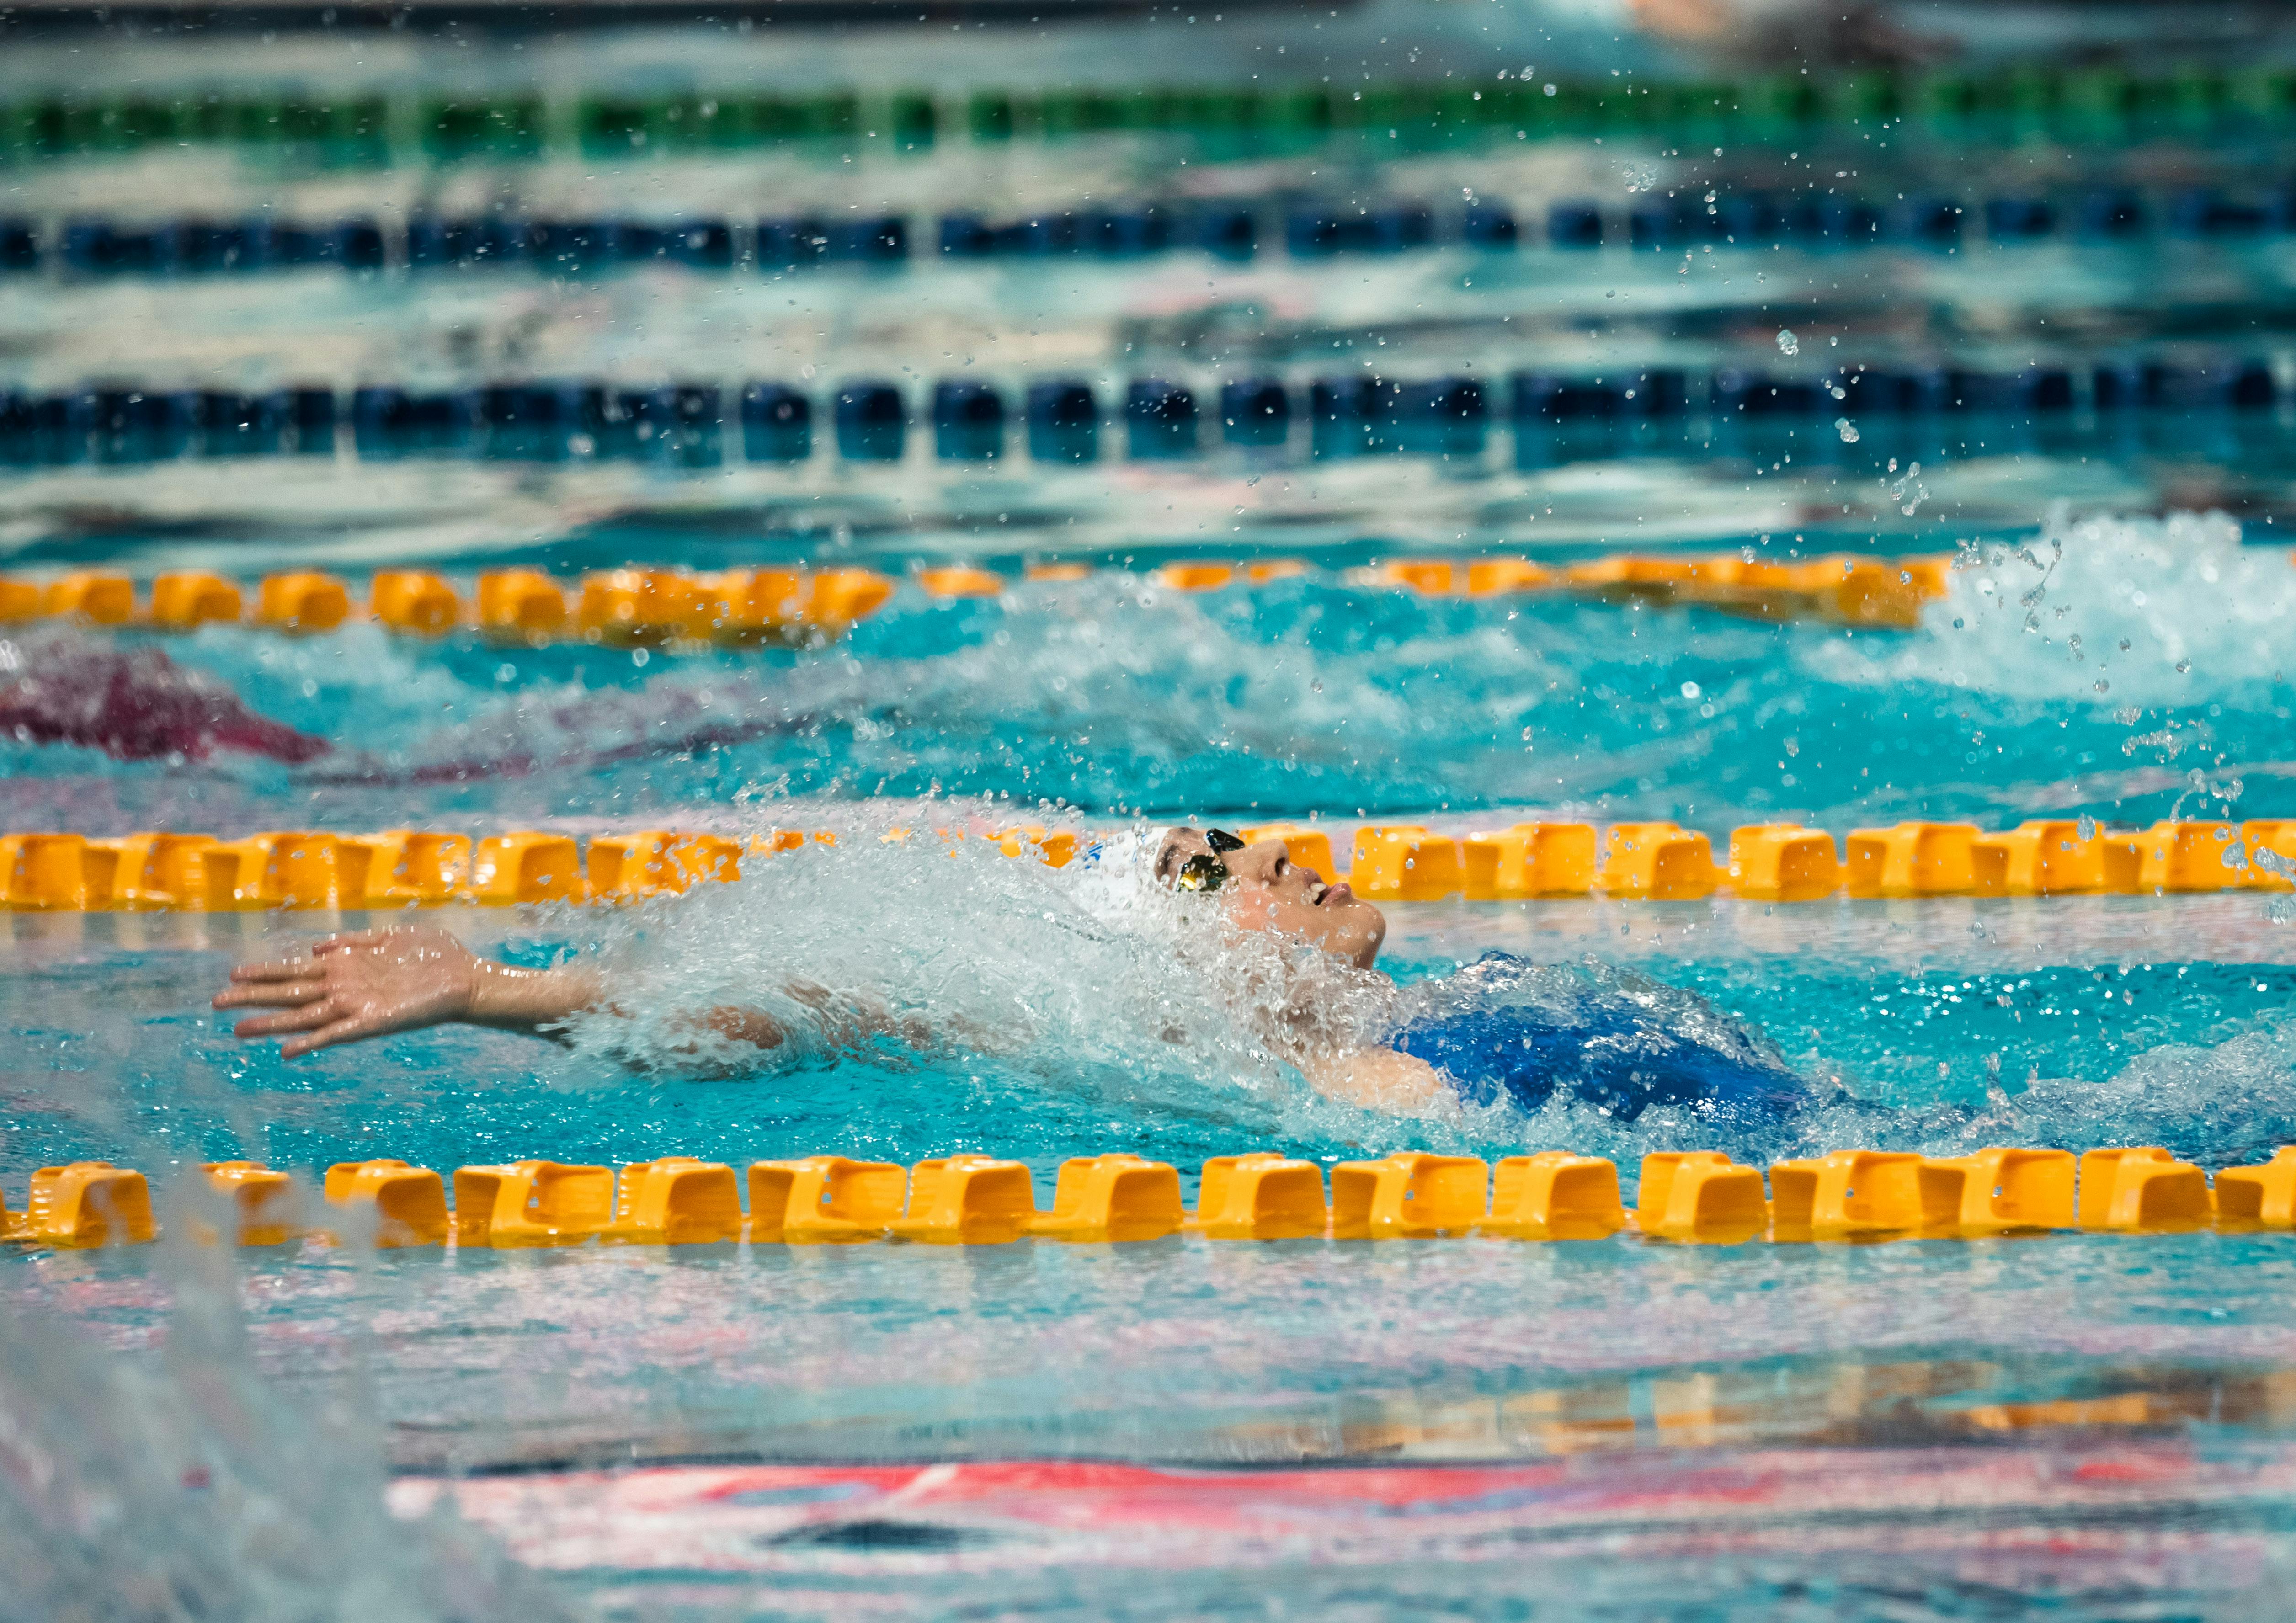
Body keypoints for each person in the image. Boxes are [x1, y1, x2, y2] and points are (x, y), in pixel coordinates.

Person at [213, 825, 1806, 1122]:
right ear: (1179, 956)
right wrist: (502, 990)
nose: (1268, 855)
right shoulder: (1291, 1070)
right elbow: (810, 1005)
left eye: (1238, 842)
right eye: (1210, 872)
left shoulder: (1458, 995)